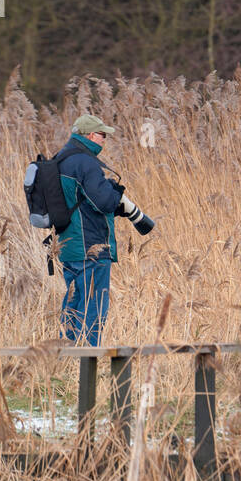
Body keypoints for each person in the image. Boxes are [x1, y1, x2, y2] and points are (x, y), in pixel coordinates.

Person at [54, 113, 153, 344]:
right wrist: (116, 191)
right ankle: (88, 363)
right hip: (91, 248)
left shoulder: (60, 159)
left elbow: (81, 201)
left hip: (67, 247)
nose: (104, 140)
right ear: (89, 135)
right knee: (94, 308)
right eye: (102, 135)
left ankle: (65, 360)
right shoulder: (86, 163)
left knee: (73, 305)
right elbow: (105, 202)